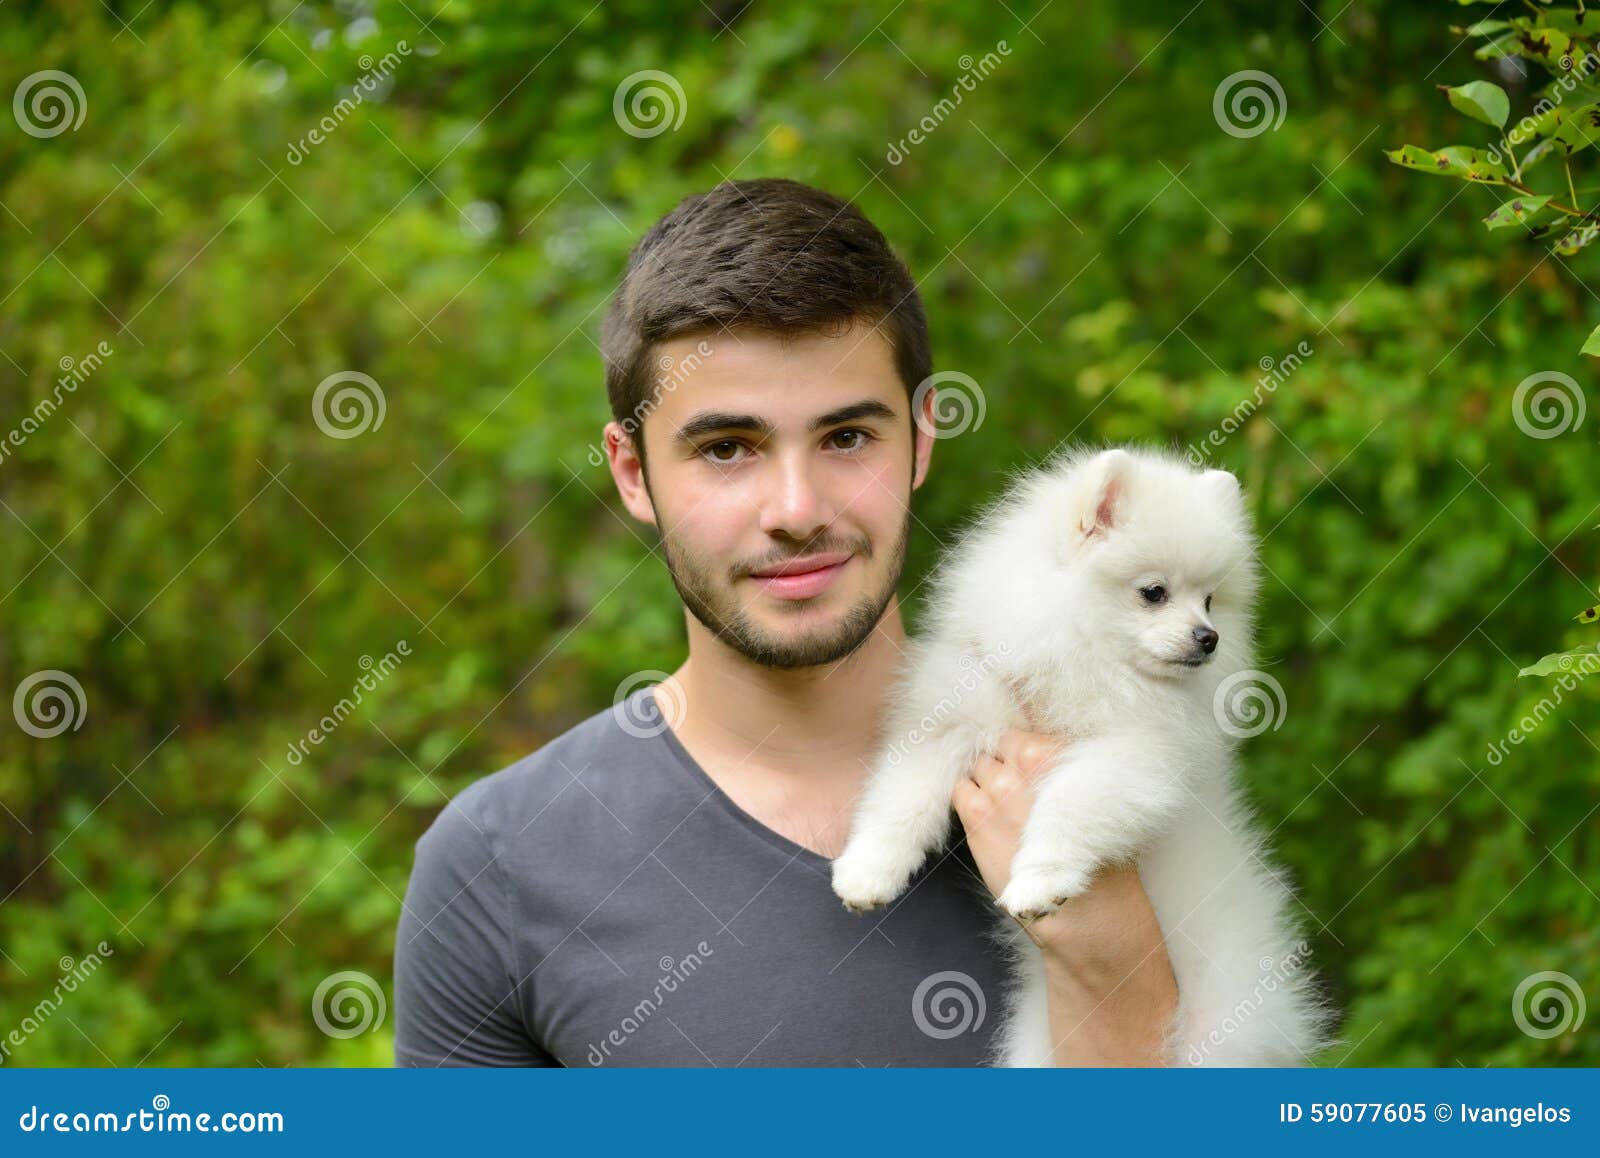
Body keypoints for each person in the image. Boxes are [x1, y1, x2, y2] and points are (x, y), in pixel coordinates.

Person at [392, 177, 1178, 1067]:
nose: (796, 510)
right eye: (727, 449)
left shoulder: (1122, 783)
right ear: (632, 471)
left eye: (847, 438)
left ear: (922, 440)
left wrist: (1115, 970)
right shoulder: (499, 867)